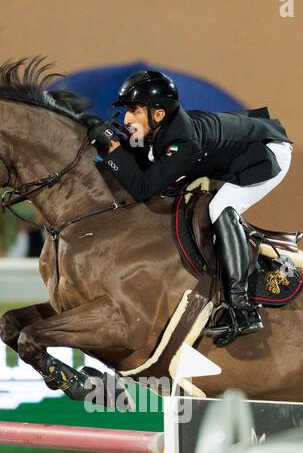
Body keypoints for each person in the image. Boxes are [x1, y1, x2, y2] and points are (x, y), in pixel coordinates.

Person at [89, 70, 291, 347]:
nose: (126, 119)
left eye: (133, 111)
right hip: (239, 145)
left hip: (266, 153)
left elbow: (144, 187)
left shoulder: (184, 141)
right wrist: (111, 137)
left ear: (157, 114)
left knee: (221, 206)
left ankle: (241, 308)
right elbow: (145, 158)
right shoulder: (162, 128)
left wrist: (113, 151)